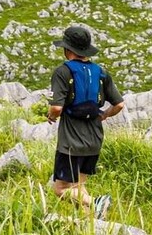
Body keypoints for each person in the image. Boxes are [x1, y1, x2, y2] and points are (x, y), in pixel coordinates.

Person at [47, 24, 125, 219]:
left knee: (60, 189)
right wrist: (105, 115)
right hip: (95, 139)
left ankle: (96, 202)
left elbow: (56, 108)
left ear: (68, 50)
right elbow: (119, 105)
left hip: (71, 142)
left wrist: (51, 116)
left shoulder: (63, 72)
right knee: (78, 187)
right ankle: (91, 225)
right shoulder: (101, 73)